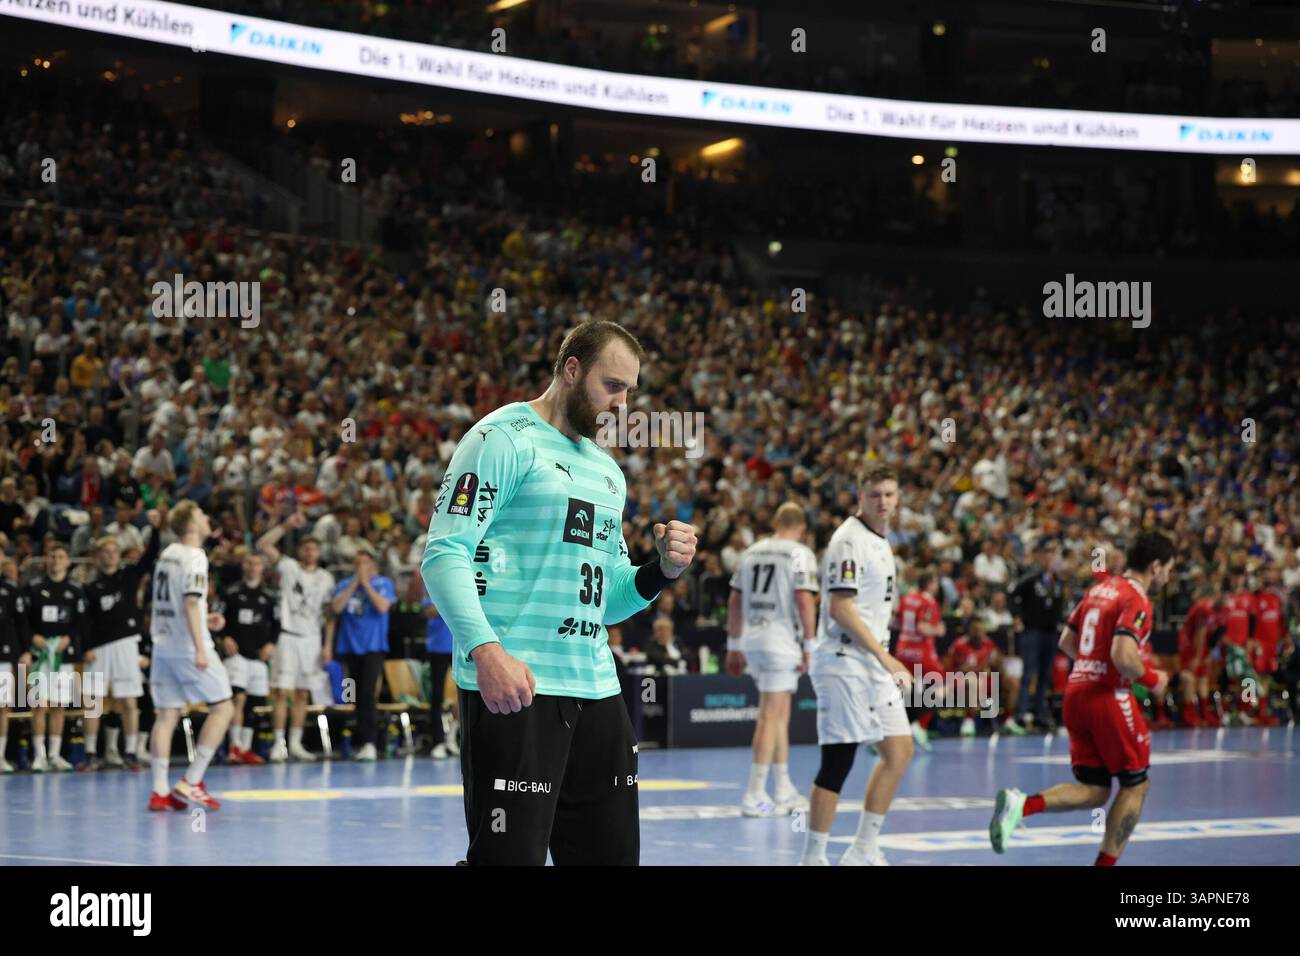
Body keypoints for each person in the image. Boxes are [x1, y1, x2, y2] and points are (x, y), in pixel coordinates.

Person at [421, 320, 697, 866]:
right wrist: (487, 651)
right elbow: (445, 553)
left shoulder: (607, 472)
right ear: (571, 370)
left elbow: (609, 596)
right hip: (514, 686)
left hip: (596, 688)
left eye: (629, 391)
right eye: (611, 386)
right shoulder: (502, 438)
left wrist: (660, 570)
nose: (621, 405)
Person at [989, 530, 1176, 865]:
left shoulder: (1100, 589)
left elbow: (1067, 641)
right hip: (1108, 696)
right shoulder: (1137, 598)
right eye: (1168, 569)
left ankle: (1022, 805)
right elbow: (1123, 655)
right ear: (1156, 566)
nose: (1169, 577)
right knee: (1136, 785)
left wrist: (1092, 666)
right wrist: (1152, 680)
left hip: (1077, 693)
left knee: (1096, 789)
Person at [799, 463, 915, 867]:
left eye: (889, 494)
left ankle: (864, 849)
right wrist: (886, 656)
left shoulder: (883, 539)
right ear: (859, 496)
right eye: (874, 495)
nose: (882, 502)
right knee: (839, 760)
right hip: (845, 661)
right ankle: (813, 857)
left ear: (897, 498)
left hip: (871, 664)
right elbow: (840, 606)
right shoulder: (849, 540)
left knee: (899, 750)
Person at [725, 501, 818, 816]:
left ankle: (783, 788)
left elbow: (734, 601)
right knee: (770, 716)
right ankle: (754, 794)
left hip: (753, 639)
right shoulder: (799, 553)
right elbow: (805, 601)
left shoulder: (750, 552)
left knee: (780, 715)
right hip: (780, 641)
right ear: (801, 528)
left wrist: (733, 645)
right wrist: (810, 645)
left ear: (776, 522)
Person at [147, 501, 234, 811]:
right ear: (193, 526)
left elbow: (178, 603)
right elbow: (189, 602)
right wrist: (200, 646)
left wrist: (205, 617)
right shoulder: (196, 556)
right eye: (201, 514)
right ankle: (193, 779)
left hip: (163, 646)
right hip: (187, 647)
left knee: (167, 715)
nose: (207, 517)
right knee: (224, 707)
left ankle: (159, 790)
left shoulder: (168, 554)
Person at [80, 508, 163, 770]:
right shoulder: (91, 587)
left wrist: (157, 529)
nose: (110, 555)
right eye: (105, 552)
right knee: (94, 702)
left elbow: (149, 558)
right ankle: (92, 752)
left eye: (114, 551)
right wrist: (85, 648)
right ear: (98, 556)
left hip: (127, 645)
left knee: (129, 701)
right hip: (99, 649)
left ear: (119, 554)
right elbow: (84, 622)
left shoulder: (129, 576)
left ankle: (130, 752)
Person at [257, 512, 336, 762]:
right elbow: (264, 545)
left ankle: (296, 743)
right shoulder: (289, 568)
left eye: (314, 549)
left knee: (302, 693)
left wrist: (327, 645)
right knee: (281, 692)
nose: (310, 552)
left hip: (312, 639)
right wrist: (286, 524)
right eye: (306, 548)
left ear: (319, 552)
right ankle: (279, 743)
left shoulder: (326, 578)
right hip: (288, 637)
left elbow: (330, 615)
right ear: (301, 551)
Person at [25, 542, 89, 772]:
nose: (56, 560)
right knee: (40, 705)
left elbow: (81, 621)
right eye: (52, 556)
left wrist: (69, 638)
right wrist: (33, 638)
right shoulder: (34, 588)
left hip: (64, 655)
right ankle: (39, 755)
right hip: (40, 655)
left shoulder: (75, 590)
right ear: (46, 560)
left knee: (59, 706)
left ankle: (54, 754)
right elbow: (23, 619)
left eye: (60, 556)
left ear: (68, 561)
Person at [327, 546, 394, 762]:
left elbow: (383, 607)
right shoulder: (344, 585)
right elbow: (336, 609)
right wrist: (355, 583)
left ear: (372, 565)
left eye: (364, 563)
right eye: (356, 564)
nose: (360, 568)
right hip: (349, 648)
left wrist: (365, 584)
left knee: (367, 695)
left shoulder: (383, 583)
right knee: (353, 697)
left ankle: (370, 743)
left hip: (373, 647)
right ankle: (360, 741)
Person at [216, 550, 278, 764]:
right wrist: (224, 637)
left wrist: (271, 644)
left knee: (253, 703)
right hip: (237, 655)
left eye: (257, 564)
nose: (253, 568)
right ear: (244, 566)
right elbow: (216, 618)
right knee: (238, 698)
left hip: (259, 657)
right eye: (249, 563)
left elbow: (277, 624)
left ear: (263, 568)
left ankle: (246, 747)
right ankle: (235, 747)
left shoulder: (269, 596)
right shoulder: (230, 592)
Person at [1008, 541, 1065, 732]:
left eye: (1053, 555)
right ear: (1040, 558)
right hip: (1032, 631)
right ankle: (1021, 715)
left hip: (1050, 632)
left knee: (1045, 675)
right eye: (1047, 554)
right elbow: (1011, 595)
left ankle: (1040, 714)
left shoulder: (1059, 581)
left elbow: (1059, 604)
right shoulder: (1030, 579)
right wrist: (1017, 617)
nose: (1050, 558)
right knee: (1029, 673)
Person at [892, 571, 946, 750]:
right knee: (942, 685)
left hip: (902, 649)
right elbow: (923, 627)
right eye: (935, 582)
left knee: (904, 692)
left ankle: (889, 732)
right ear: (929, 583)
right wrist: (938, 630)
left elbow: (895, 622)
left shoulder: (907, 598)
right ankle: (919, 725)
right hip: (921, 652)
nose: (937, 586)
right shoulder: (928, 601)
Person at [1176, 583, 1223, 727]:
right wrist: (1197, 656)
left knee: (1203, 676)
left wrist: (1208, 652)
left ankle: (1203, 711)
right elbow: (1199, 633)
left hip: (1202, 646)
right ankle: (1189, 713)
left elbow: (1217, 633)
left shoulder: (1219, 609)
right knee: (1191, 676)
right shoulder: (1204, 607)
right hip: (1190, 645)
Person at [0, 566, 31, 773]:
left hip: (3, 657)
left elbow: (22, 623)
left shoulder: (9, 590)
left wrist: (25, 650)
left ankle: (0, 757)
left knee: (2, 707)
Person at [420, 589, 458, 760]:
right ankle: (438, 742)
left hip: (462, 643)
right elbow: (429, 611)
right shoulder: (432, 580)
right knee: (437, 695)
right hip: (438, 647)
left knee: (467, 694)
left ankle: (453, 738)